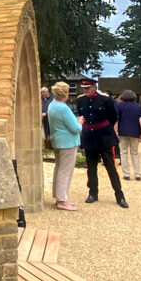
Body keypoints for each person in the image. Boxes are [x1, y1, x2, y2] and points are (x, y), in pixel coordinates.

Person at [75, 76, 128, 208]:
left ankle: (119, 195)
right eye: (84, 88)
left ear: (95, 88)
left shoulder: (105, 100)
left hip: (104, 137)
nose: (86, 90)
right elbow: (81, 116)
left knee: (111, 167)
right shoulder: (80, 100)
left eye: (88, 88)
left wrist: (105, 128)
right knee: (91, 168)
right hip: (89, 137)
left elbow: (113, 117)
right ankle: (93, 193)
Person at [47, 81, 82, 211]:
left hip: (58, 141)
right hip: (68, 143)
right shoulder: (63, 108)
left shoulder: (52, 105)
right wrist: (80, 122)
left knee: (59, 169)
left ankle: (59, 197)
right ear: (65, 94)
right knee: (65, 171)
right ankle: (62, 200)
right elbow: (75, 128)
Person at [115, 90, 141, 181]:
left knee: (123, 152)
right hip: (135, 132)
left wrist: (116, 131)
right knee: (134, 153)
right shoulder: (139, 106)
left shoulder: (118, 106)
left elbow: (116, 120)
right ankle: (137, 174)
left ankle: (126, 174)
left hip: (122, 131)